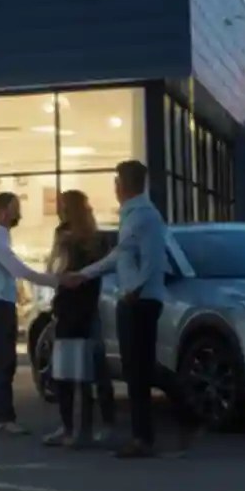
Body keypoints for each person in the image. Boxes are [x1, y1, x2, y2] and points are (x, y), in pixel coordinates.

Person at [65, 161, 167, 459]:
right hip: (132, 299)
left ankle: (142, 438)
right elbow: (117, 257)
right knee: (134, 370)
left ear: (123, 183)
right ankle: (140, 436)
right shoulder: (132, 215)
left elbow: (152, 259)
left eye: (117, 181)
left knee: (138, 370)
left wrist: (134, 290)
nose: (115, 187)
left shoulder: (145, 217)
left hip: (140, 301)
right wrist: (83, 274)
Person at [0, 191, 59, 435]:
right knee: (3, 362)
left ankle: (0, 415)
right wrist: (55, 281)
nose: (19, 213)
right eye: (15, 208)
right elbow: (19, 270)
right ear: (4, 213)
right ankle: (3, 417)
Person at [42, 190, 113, 449]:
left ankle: (79, 429)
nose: (59, 211)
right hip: (72, 309)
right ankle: (72, 428)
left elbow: (61, 271)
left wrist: (60, 258)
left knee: (81, 374)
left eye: (62, 206)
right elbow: (54, 270)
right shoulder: (71, 236)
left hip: (80, 310)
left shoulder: (87, 241)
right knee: (70, 374)